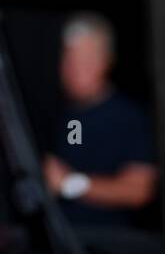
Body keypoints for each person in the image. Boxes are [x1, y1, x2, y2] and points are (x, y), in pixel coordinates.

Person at [43, 14, 159, 231]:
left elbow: (140, 190)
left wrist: (70, 184)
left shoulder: (128, 116)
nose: (76, 69)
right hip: (58, 240)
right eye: (69, 59)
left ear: (106, 61)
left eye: (86, 60)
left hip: (108, 245)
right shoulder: (59, 112)